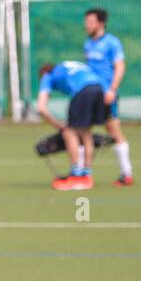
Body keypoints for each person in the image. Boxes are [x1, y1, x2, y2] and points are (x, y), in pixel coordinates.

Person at [36, 60, 108, 190]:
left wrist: (58, 126)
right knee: (86, 133)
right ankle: (86, 176)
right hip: (99, 89)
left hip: (83, 91)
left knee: (69, 132)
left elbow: (41, 108)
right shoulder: (67, 66)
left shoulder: (47, 76)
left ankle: (75, 176)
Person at [84, 7, 134, 186]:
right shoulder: (88, 44)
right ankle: (83, 173)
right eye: (86, 22)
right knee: (83, 130)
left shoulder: (112, 43)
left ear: (101, 23)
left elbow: (120, 66)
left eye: (90, 22)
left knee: (114, 131)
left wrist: (112, 89)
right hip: (91, 94)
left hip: (107, 95)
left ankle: (126, 173)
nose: (87, 25)